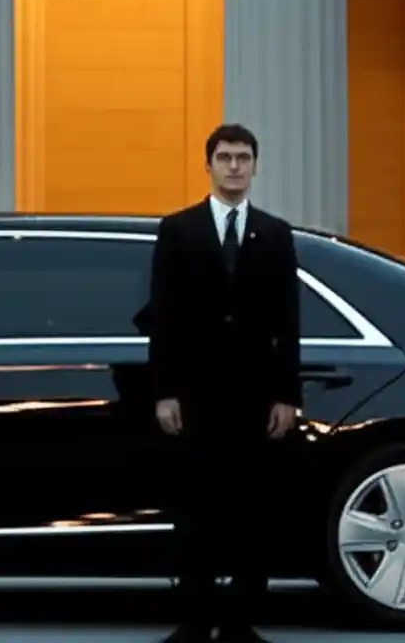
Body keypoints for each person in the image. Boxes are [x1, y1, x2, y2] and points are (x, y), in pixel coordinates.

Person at [148, 123, 301, 643]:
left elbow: (288, 319)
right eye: (225, 157)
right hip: (194, 396)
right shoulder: (178, 230)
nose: (234, 166)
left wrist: (287, 394)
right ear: (208, 165)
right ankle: (195, 619)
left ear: (255, 165)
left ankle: (239, 622)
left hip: (255, 398)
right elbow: (164, 315)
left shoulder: (276, 234)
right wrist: (164, 391)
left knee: (248, 511)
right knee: (196, 510)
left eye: (243, 157)